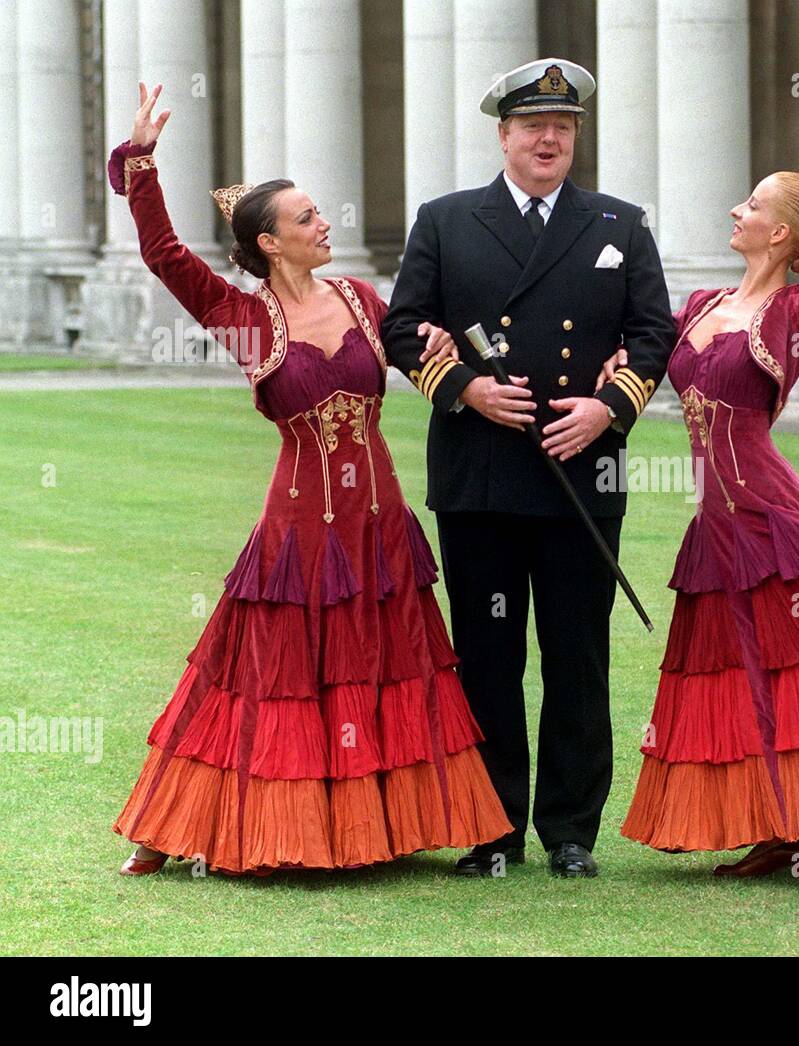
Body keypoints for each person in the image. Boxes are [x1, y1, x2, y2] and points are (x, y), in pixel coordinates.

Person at [113, 82, 511, 876]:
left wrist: (443, 351)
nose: (324, 224)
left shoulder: (361, 299)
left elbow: (415, 346)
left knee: (387, 666)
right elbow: (164, 257)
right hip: (297, 527)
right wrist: (141, 163)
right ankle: (188, 823)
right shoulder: (243, 316)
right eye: (306, 219)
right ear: (270, 243)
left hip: (377, 520)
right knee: (266, 675)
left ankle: (378, 828)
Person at [619, 60, 799, 906]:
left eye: (750, 206)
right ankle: (782, 825)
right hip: (715, 521)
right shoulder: (703, 302)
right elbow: (644, 361)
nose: (735, 211)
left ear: (782, 235)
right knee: (734, 674)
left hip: (768, 512)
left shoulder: (791, 311)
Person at [381, 59, 677, 878]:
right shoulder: (445, 221)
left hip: (583, 472)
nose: (550, 139)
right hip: (482, 473)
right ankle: (493, 826)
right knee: (488, 651)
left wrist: (607, 409)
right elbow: (402, 327)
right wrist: (466, 389)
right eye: (533, 127)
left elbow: (657, 333)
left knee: (578, 652)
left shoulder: (620, 222)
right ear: (503, 135)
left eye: (565, 127)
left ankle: (571, 830)